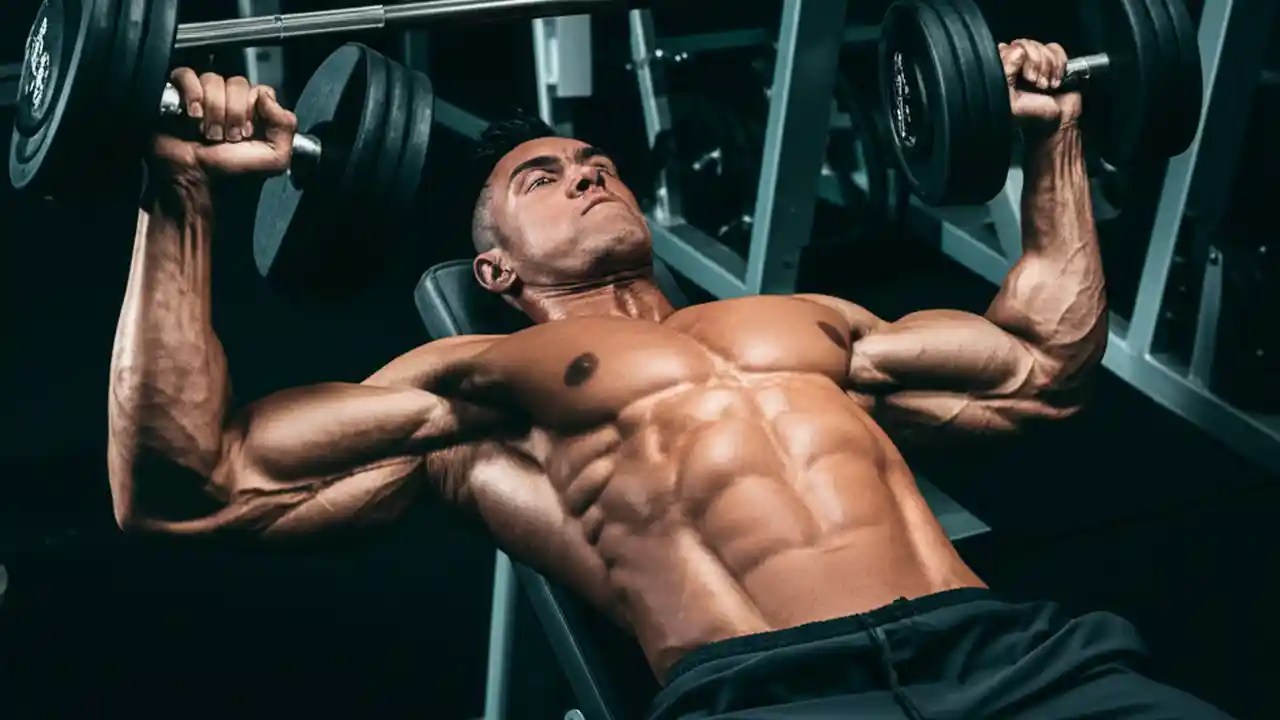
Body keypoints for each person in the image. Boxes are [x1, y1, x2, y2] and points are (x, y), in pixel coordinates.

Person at [108, 39, 1232, 719]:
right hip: (776, 696)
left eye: (592, 164)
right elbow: (192, 481)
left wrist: (1052, 139)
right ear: (491, 266)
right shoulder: (481, 388)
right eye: (541, 178)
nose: (585, 173)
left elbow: (1039, 366)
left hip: (1007, 657)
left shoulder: (802, 324)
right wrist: (181, 195)